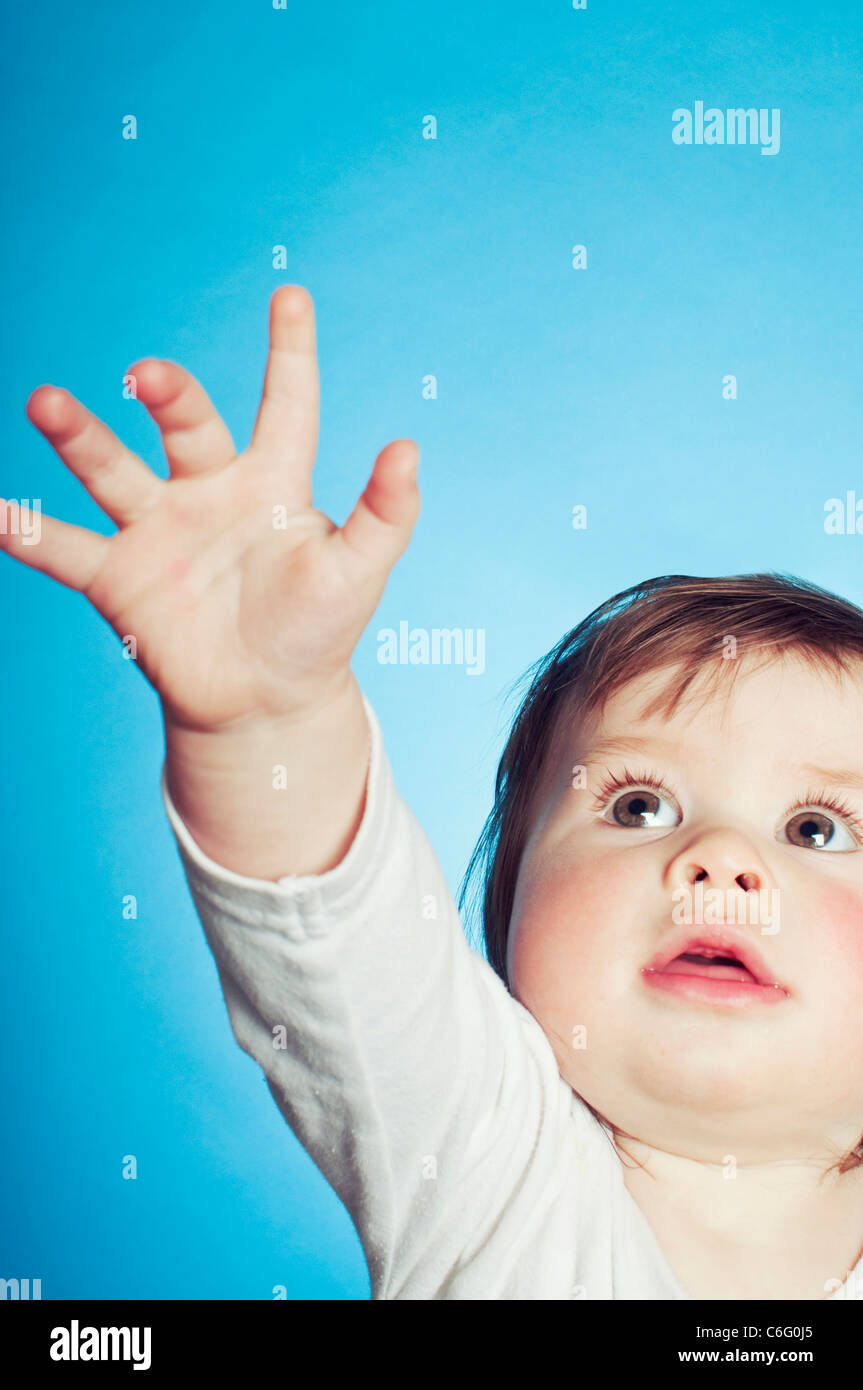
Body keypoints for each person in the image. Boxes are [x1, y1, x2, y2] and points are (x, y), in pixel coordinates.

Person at [3, 285, 862, 1300]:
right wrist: (263, 719)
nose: (719, 860)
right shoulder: (479, 1156)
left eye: (817, 827)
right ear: (509, 892)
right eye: (637, 806)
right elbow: (343, 940)